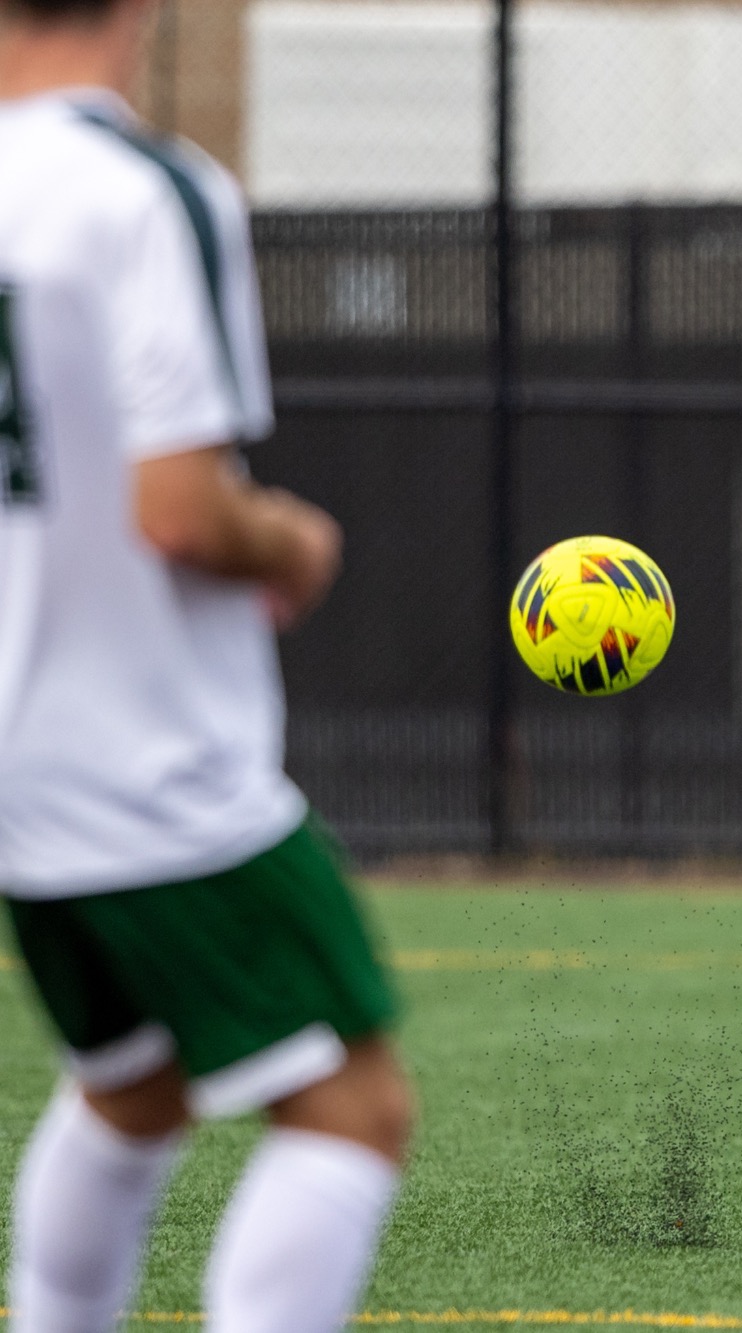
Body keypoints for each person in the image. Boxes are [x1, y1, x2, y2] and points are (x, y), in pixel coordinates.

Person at [0, 0, 413, 1327]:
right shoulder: (146, 190)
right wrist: (288, 539)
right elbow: (179, 508)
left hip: (20, 761)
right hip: (141, 752)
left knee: (133, 1088)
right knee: (352, 1107)